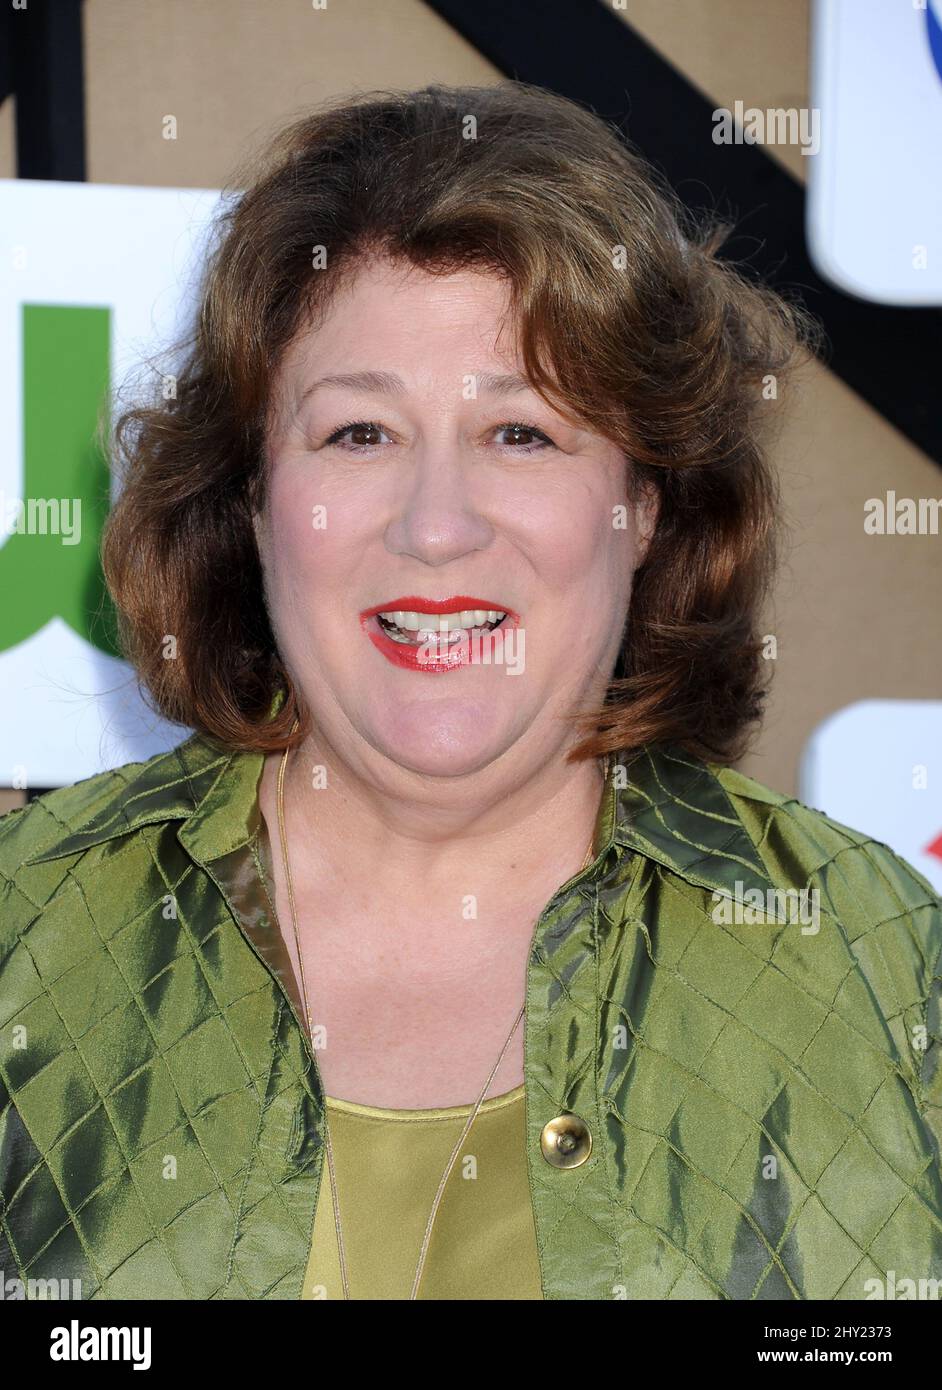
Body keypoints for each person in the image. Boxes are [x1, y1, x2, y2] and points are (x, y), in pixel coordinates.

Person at [1, 82, 939, 1302]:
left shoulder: (880, 960)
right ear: (249, 506)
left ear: (646, 507)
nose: (436, 529)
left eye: (523, 436)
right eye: (358, 434)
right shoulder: (28, 934)